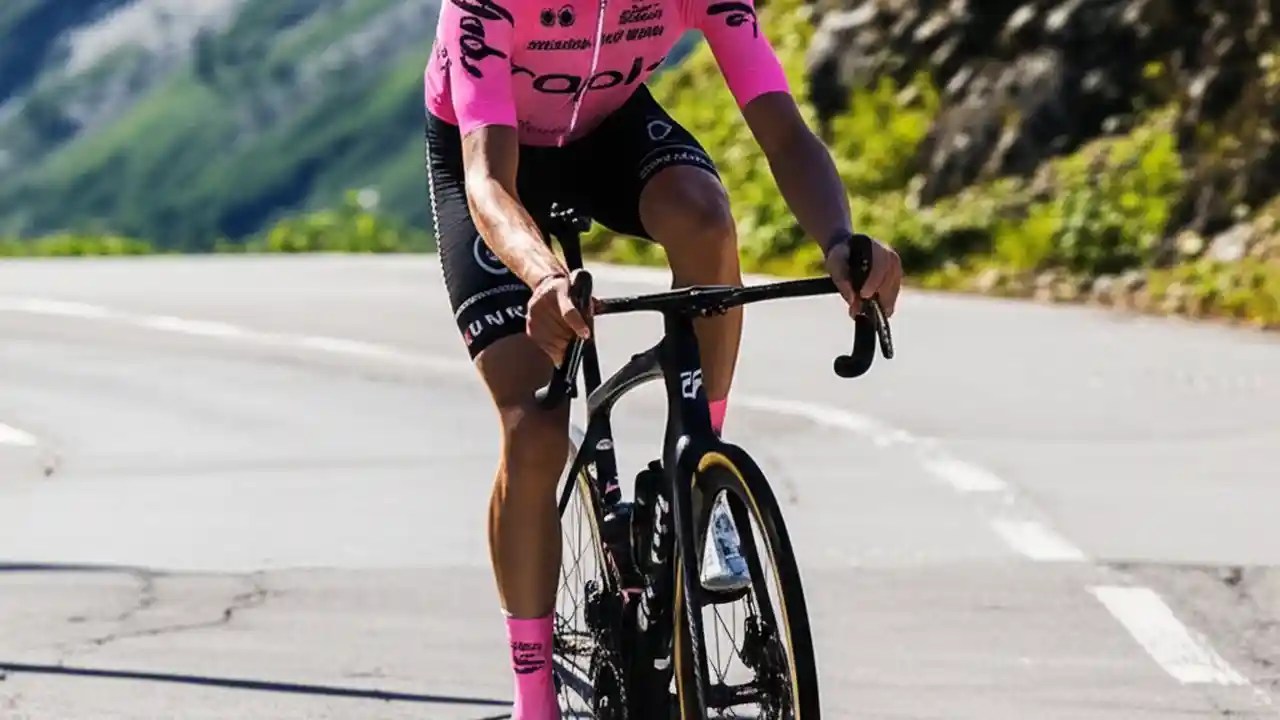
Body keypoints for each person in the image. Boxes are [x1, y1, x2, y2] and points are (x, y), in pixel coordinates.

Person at [422, 0, 903, 713]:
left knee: (704, 219)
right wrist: (545, 278)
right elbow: (490, 184)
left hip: (608, 128)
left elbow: (783, 132)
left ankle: (700, 480)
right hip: (491, 160)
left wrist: (840, 240)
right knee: (534, 425)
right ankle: (534, 696)